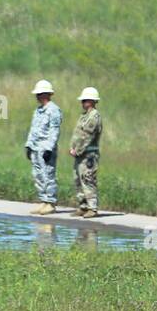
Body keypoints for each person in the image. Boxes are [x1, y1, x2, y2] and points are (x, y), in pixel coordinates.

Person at [24, 79, 62, 215]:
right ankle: (43, 200)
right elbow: (33, 129)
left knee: (48, 175)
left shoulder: (54, 110)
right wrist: (28, 146)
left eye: (39, 94)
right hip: (36, 147)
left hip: (46, 148)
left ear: (45, 94)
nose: (37, 97)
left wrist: (49, 148)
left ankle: (50, 202)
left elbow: (54, 130)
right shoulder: (38, 111)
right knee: (38, 175)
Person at [69, 87, 103, 218]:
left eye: (84, 100)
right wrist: (72, 147)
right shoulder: (83, 116)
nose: (82, 102)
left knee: (88, 179)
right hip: (79, 154)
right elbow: (77, 134)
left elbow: (87, 137)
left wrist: (77, 150)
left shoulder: (94, 117)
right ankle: (83, 206)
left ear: (91, 101)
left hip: (89, 154)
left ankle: (92, 208)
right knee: (78, 179)